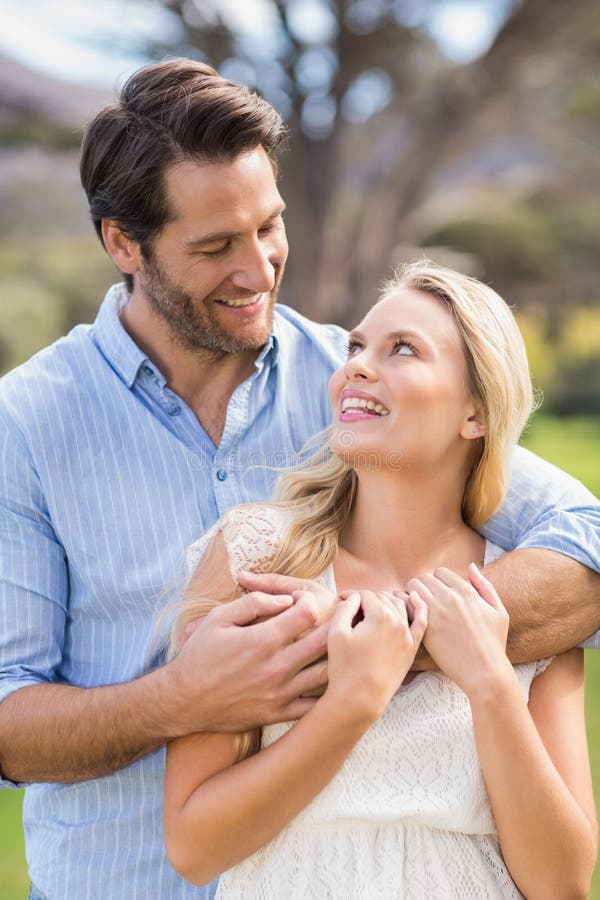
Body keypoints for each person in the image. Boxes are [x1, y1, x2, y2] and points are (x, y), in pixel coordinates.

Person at [0, 59, 598, 900]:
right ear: (123, 245)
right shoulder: (23, 425)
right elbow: (6, 716)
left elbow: (586, 543)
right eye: (215, 247)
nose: (258, 269)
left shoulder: (350, 387)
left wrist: (381, 644)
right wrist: (183, 697)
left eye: (269, 227)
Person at [163, 261, 598, 899]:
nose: (356, 367)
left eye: (402, 350)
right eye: (356, 347)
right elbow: (194, 848)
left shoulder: (523, 598)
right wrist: (351, 704)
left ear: (474, 413)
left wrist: (491, 685)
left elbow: (562, 884)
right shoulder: (258, 560)